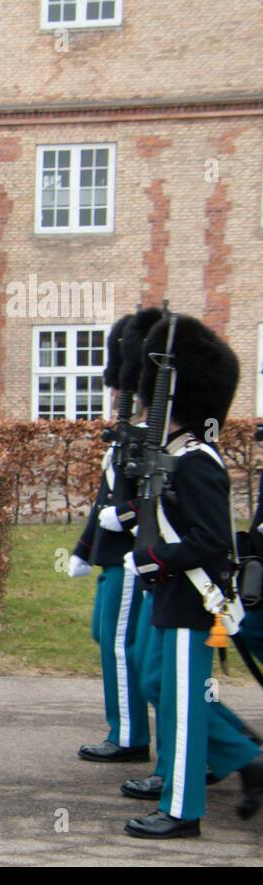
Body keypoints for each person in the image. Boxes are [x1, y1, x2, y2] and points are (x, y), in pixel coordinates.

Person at [120, 314, 263, 838]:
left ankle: (183, 810)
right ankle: (223, 771)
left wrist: (157, 560)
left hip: (195, 600)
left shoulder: (199, 460)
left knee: (183, 704)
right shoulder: (175, 455)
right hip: (175, 597)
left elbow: (211, 543)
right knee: (161, 685)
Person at [69, 314, 150, 763]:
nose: (116, 392)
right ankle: (126, 723)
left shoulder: (148, 441)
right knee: (106, 635)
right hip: (110, 555)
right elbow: (106, 498)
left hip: (134, 557)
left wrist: (129, 516)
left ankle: (129, 735)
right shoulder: (125, 438)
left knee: (120, 643)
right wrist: (84, 547)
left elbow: (160, 503)